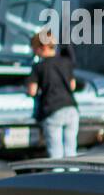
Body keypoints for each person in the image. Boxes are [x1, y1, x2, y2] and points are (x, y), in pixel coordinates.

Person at [26, 30, 78, 159]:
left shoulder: (39, 67)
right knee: (71, 151)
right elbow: (72, 86)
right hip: (71, 109)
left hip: (53, 109)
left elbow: (32, 91)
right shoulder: (66, 62)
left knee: (56, 152)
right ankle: (74, 176)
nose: (34, 53)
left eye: (35, 49)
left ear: (42, 47)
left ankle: (57, 177)